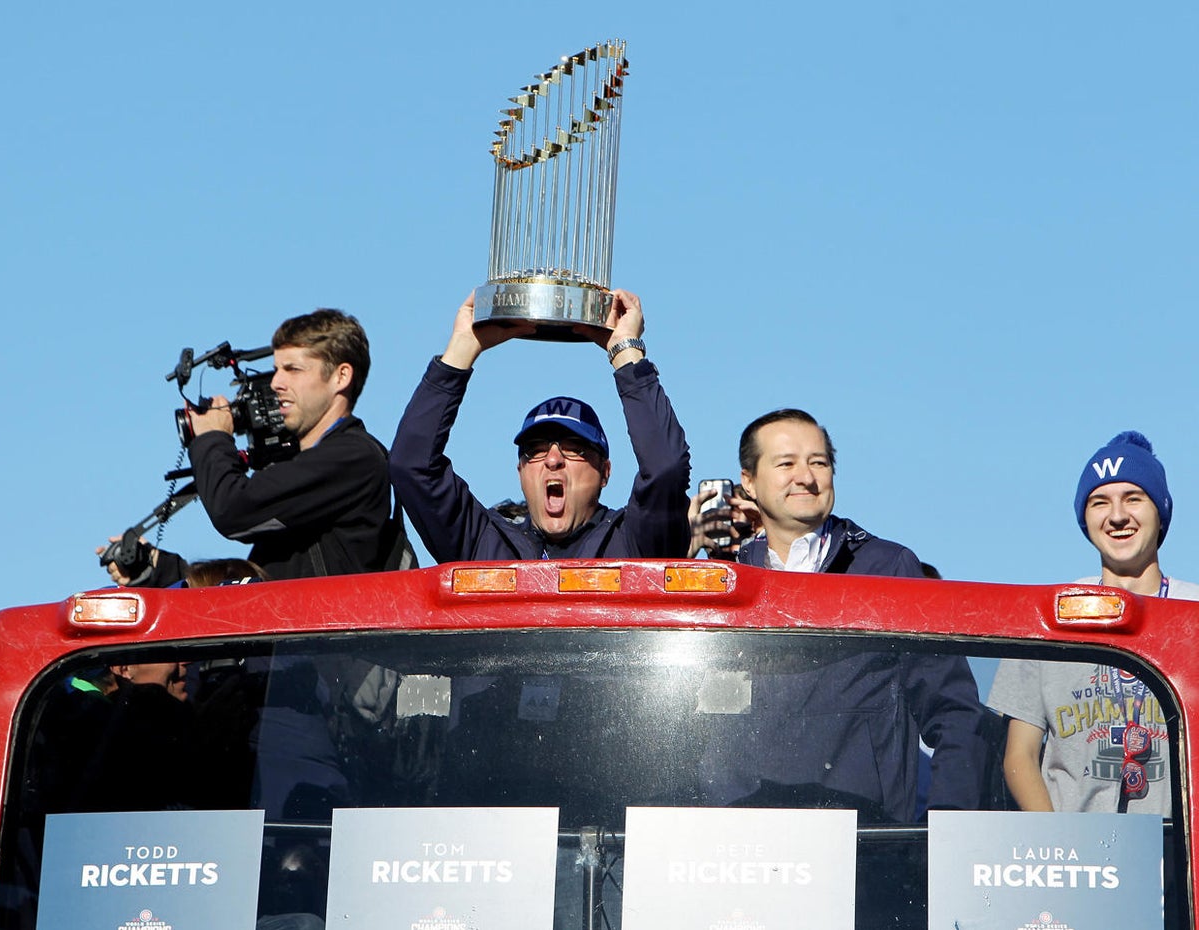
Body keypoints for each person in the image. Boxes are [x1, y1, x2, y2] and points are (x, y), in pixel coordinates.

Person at [697, 408, 986, 821]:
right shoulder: (728, 581)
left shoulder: (888, 569)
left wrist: (947, 827)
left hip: (865, 837)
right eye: (786, 464)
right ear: (749, 481)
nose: (805, 477)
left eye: (818, 462)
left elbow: (954, 710)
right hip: (737, 837)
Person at [99, 309, 400, 583]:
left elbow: (233, 510)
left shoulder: (352, 457)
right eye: (276, 369)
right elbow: (255, 589)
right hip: (298, 626)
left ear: (341, 376)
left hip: (329, 628)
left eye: (293, 369)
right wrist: (161, 570)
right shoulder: (310, 472)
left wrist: (212, 438)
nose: (276, 382)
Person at [388, 289, 690, 561]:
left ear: (605, 472)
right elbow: (411, 465)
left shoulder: (634, 543)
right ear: (520, 472)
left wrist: (626, 352)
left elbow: (665, 468)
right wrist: (462, 347)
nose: (553, 460)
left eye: (575, 448)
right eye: (535, 450)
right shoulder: (484, 543)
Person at [989, 431, 1197, 814]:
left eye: (1133, 498)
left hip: (1180, 847)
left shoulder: (1193, 614)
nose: (1117, 516)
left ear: (1161, 511)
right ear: (1085, 519)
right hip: (1075, 846)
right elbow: (1019, 756)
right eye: (1099, 502)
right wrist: (1058, 842)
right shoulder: (1049, 619)